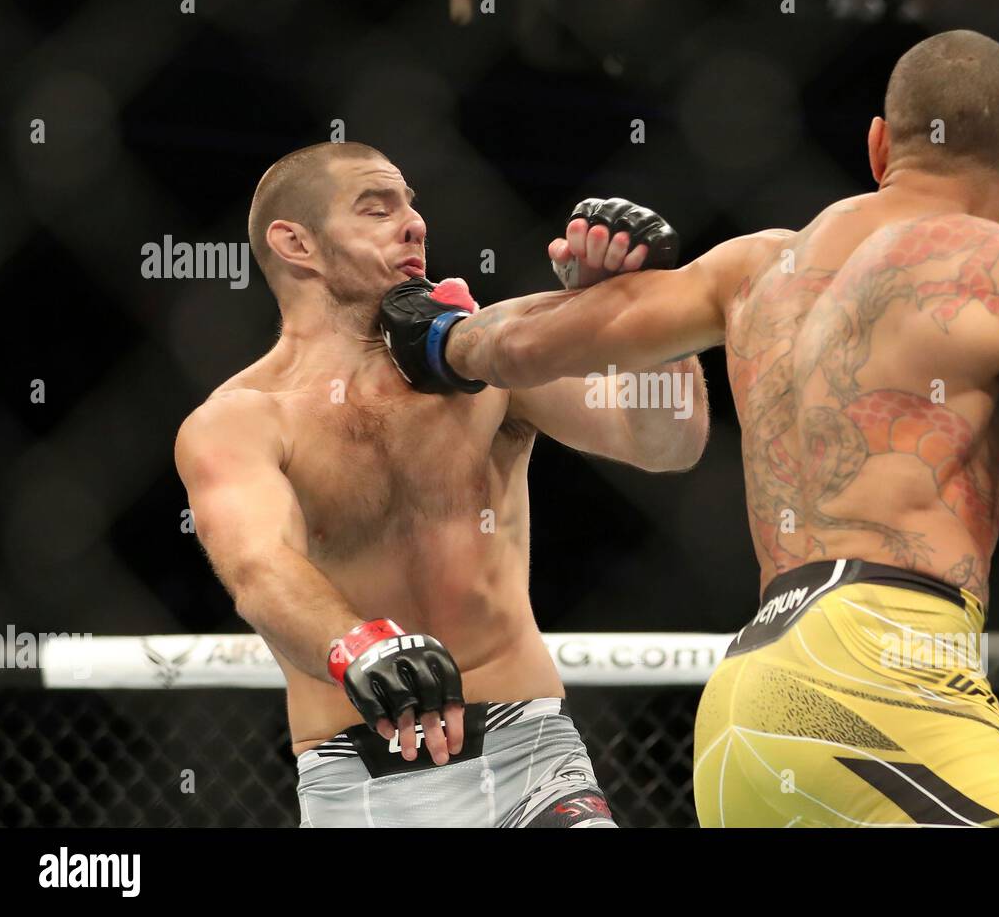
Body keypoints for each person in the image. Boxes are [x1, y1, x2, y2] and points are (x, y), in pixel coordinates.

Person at [387, 30, 999, 827]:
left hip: (746, 702)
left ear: (880, 146)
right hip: (888, 674)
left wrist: (433, 334)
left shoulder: (755, 267)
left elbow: (519, 344)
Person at [174, 141, 707, 827]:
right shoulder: (239, 420)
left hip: (531, 762)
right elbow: (259, 566)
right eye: (377, 208)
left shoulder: (484, 362)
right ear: (295, 242)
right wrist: (358, 646)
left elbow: (666, 444)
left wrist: (646, 304)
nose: (414, 223)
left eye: (412, 205)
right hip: (355, 778)